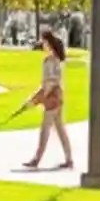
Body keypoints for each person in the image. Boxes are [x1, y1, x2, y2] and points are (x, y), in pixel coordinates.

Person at [24, 30, 73, 170]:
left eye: (44, 42)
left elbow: (50, 83)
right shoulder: (55, 60)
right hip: (57, 96)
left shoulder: (51, 61)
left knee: (45, 129)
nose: (42, 45)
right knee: (60, 129)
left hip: (53, 97)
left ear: (48, 43)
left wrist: (37, 100)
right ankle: (69, 159)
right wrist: (35, 99)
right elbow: (47, 84)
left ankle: (37, 159)